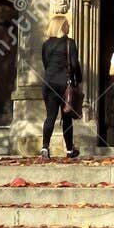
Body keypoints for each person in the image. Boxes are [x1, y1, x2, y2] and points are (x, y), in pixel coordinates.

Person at [40, 19, 81, 160]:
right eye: (67, 24)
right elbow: (75, 65)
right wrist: (78, 81)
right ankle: (70, 150)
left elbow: (45, 63)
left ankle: (45, 148)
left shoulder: (46, 44)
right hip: (65, 84)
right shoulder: (70, 43)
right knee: (67, 117)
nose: (69, 25)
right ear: (61, 26)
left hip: (49, 83)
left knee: (50, 116)